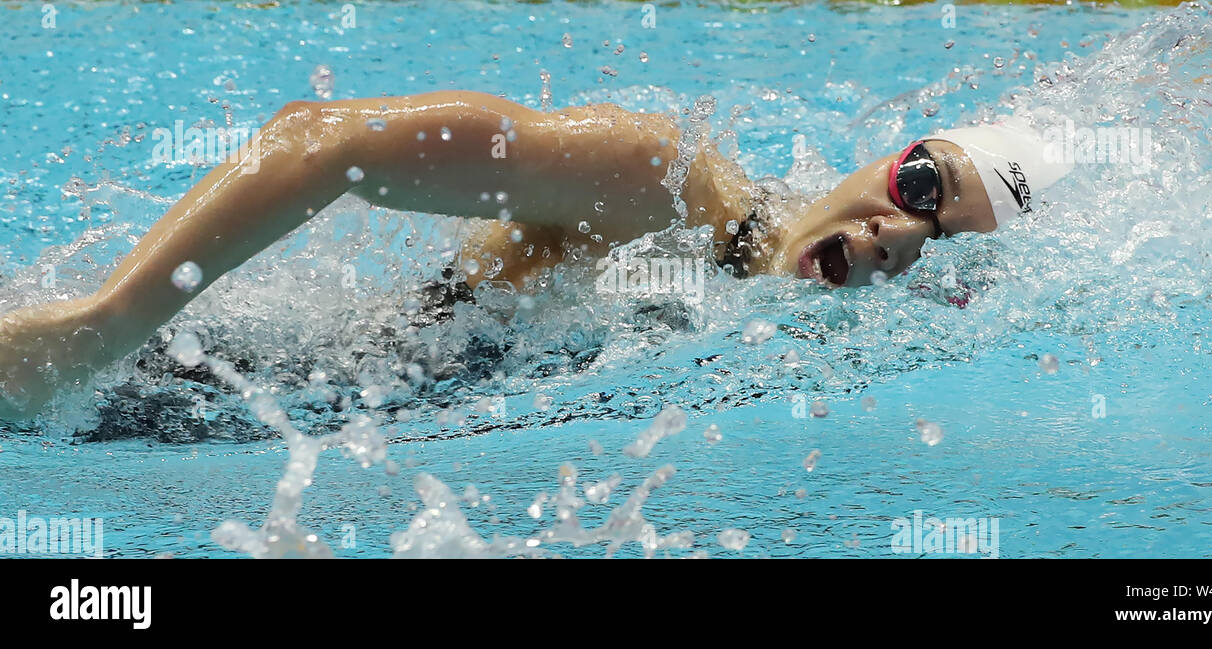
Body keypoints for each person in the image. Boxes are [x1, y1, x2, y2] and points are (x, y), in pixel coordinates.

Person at [0, 90, 1069, 419]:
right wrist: (101, 326)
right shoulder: (657, 180)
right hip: (203, 395)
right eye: (919, 189)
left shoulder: (826, 363)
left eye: (936, 241)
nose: (896, 235)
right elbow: (319, 140)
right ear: (889, 157)